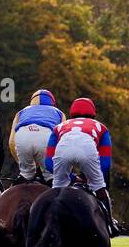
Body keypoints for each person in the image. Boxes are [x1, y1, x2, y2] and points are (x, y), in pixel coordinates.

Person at [45, 96, 121, 236]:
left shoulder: (59, 127)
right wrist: (88, 178)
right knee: (100, 187)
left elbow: (49, 164)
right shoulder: (101, 127)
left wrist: (72, 178)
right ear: (93, 112)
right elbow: (105, 165)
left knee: (56, 192)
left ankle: (45, 224)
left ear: (72, 112)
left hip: (63, 150)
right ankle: (110, 225)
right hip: (87, 150)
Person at [7, 89, 64, 185]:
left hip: (22, 138)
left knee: (25, 175)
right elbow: (61, 141)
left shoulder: (21, 112)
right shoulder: (59, 113)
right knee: (50, 177)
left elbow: (11, 143)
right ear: (52, 102)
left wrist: (22, 160)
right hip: (46, 139)